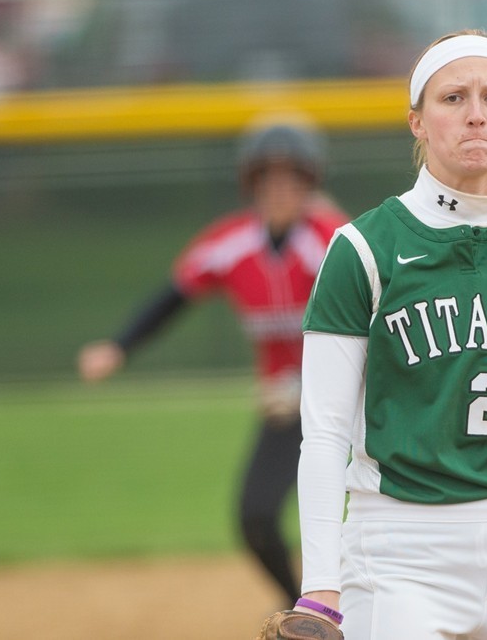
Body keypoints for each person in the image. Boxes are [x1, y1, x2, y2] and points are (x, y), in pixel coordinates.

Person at [283, 30, 487, 639]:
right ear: (417, 121)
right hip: (399, 552)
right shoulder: (363, 248)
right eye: (452, 97)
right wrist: (320, 587)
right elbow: (325, 431)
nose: (475, 114)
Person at [77, 116, 348, 607]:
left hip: (355, 401)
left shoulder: (333, 240)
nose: (280, 188)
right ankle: (303, 617)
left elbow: (383, 309)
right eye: (268, 177)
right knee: (256, 518)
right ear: (252, 184)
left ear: (310, 183)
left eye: (293, 178)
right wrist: (119, 347)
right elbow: (173, 296)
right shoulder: (232, 243)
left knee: (365, 515)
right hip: (286, 409)